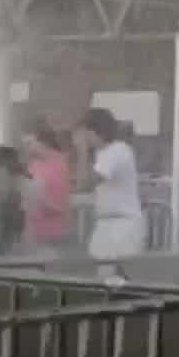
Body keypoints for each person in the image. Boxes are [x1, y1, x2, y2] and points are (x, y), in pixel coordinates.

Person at [74, 107, 145, 260]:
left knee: (116, 276)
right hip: (106, 223)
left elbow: (84, 185)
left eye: (84, 133)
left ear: (94, 131)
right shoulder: (103, 154)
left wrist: (82, 151)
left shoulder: (117, 151)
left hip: (122, 225)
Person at [22, 123, 74, 255]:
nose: (26, 147)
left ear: (42, 143)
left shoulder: (60, 163)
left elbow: (59, 201)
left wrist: (43, 203)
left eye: (29, 143)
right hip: (34, 231)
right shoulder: (34, 164)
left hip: (54, 231)